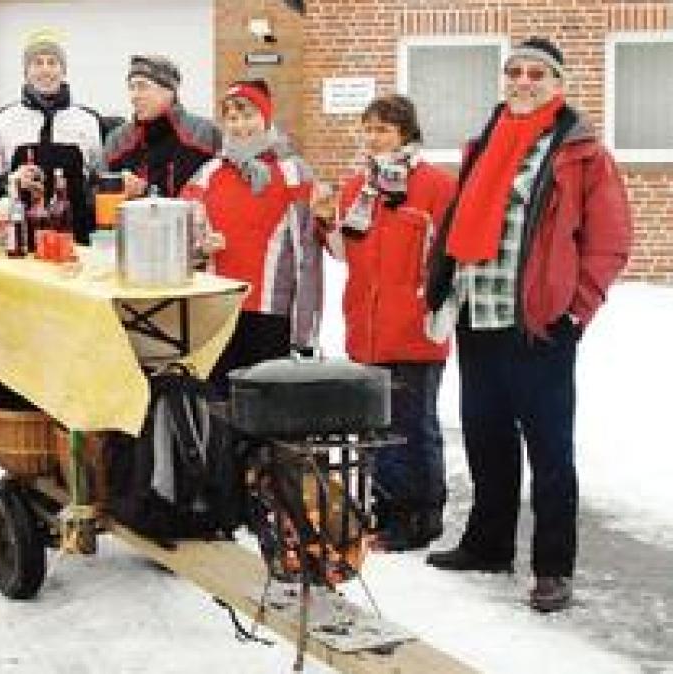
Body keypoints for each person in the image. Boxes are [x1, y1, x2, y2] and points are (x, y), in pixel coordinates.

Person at [423, 37, 632, 613]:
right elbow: (456, 224)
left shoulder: (581, 152)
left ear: (557, 83)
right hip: (477, 315)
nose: (522, 81)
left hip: (539, 323)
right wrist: (441, 289)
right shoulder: (484, 143)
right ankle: (489, 545)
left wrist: (574, 309)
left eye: (536, 73)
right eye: (513, 71)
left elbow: (610, 242)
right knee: (487, 437)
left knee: (549, 449)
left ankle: (553, 566)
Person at [313, 94, 456, 552]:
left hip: (414, 327)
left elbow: (451, 259)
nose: (375, 138)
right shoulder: (359, 187)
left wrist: (434, 309)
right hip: (367, 327)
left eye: (385, 130)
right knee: (376, 430)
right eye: (369, 129)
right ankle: (386, 512)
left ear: (407, 134)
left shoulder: (436, 186)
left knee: (414, 427)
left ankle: (423, 516)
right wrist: (323, 221)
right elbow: (343, 252)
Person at [180, 79, 321, 395]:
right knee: (219, 412)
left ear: (266, 118)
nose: (240, 125)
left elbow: (307, 258)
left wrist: (304, 333)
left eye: (248, 116)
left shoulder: (293, 173)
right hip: (217, 312)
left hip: (269, 313)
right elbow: (182, 244)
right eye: (231, 117)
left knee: (266, 417)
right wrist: (200, 249)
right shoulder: (207, 175)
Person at [0, 29, 104, 241]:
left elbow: (100, 178)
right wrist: (11, 184)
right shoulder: (2, 120)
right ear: (26, 71)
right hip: (19, 239)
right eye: (37, 63)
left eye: (52, 62)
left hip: (77, 241)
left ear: (63, 70)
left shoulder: (89, 121)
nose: (45, 70)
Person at [104, 54, 221, 199]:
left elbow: (220, 192)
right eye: (131, 87)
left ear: (170, 91)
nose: (134, 96)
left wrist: (146, 191)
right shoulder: (117, 140)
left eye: (142, 86)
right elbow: (97, 197)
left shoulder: (204, 133)